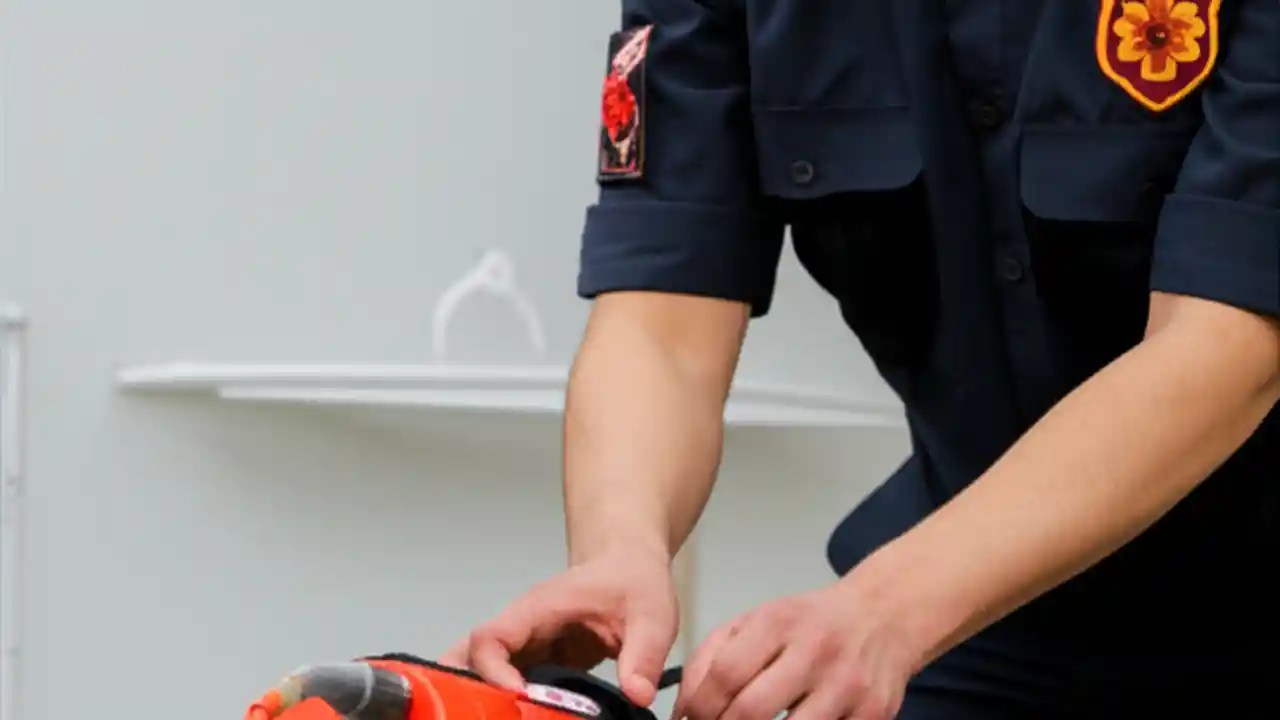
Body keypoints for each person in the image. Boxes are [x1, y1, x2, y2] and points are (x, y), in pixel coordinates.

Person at [443, 0, 1280, 716]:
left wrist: (885, 610)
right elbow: (664, 322)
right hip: (987, 621)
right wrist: (620, 549)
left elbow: (1228, 340)